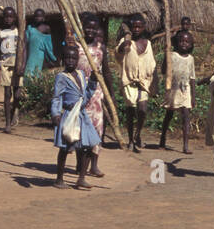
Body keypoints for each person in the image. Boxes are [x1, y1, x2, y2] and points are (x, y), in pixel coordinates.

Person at [50, 45, 99, 189]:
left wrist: (94, 81)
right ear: (63, 60)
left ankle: (81, 178)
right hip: (69, 115)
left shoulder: (82, 74)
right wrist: (56, 114)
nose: (70, 61)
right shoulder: (61, 77)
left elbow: (87, 95)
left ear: (78, 59)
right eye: (67, 58)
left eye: (73, 58)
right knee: (65, 148)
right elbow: (57, 97)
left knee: (88, 146)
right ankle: (59, 179)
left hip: (82, 115)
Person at [116, 12, 156, 153]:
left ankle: (138, 133)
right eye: (134, 27)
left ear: (144, 28)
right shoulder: (126, 42)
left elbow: (152, 64)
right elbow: (118, 54)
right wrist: (124, 45)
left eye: (139, 27)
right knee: (130, 111)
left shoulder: (148, 44)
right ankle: (131, 139)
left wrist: (153, 82)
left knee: (142, 109)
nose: (137, 29)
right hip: (129, 82)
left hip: (144, 82)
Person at [75, 14, 109, 176]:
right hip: (79, 90)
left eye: (93, 28)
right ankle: (79, 163)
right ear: (82, 26)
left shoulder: (101, 48)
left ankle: (94, 165)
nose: (90, 30)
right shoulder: (75, 46)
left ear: (97, 30)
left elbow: (106, 72)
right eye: (87, 27)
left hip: (96, 93)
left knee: (97, 128)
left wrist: (111, 96)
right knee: (80, 129)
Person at [161, 30, 198, 152]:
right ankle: (163, 138)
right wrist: (166, 56)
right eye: (181, 41)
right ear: (177, 42)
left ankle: (185, 145)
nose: (184, 44)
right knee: (169, 115)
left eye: (187, 42)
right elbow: (163, 70)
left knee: (186, 116)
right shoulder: (172, 55)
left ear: (191, 44)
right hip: (173, 89)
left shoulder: (191, 59)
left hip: (185, 90)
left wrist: (193, 96)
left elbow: (192, 78)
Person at [0, 6, 21, 133]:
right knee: (7, 93)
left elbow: (23, 49)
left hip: (17, 64)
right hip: (4, 64)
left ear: (14, 18)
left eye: (11, 16)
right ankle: (7, 123)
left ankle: (15, 112)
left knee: (18, 94)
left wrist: (22, 65)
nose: (8, 19)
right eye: (6, 16)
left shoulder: (19, 32)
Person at [23, 8, 57, 79]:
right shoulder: (30, 28)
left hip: (41, 54)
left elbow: (48, 43)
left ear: (44, 18)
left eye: (40, 16)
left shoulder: (46, 28)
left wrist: (50, 55)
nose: (38, 18)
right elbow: (25, 43)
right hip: (31, 54)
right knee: (29, 73)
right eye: (36, 16)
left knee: (39, 73)